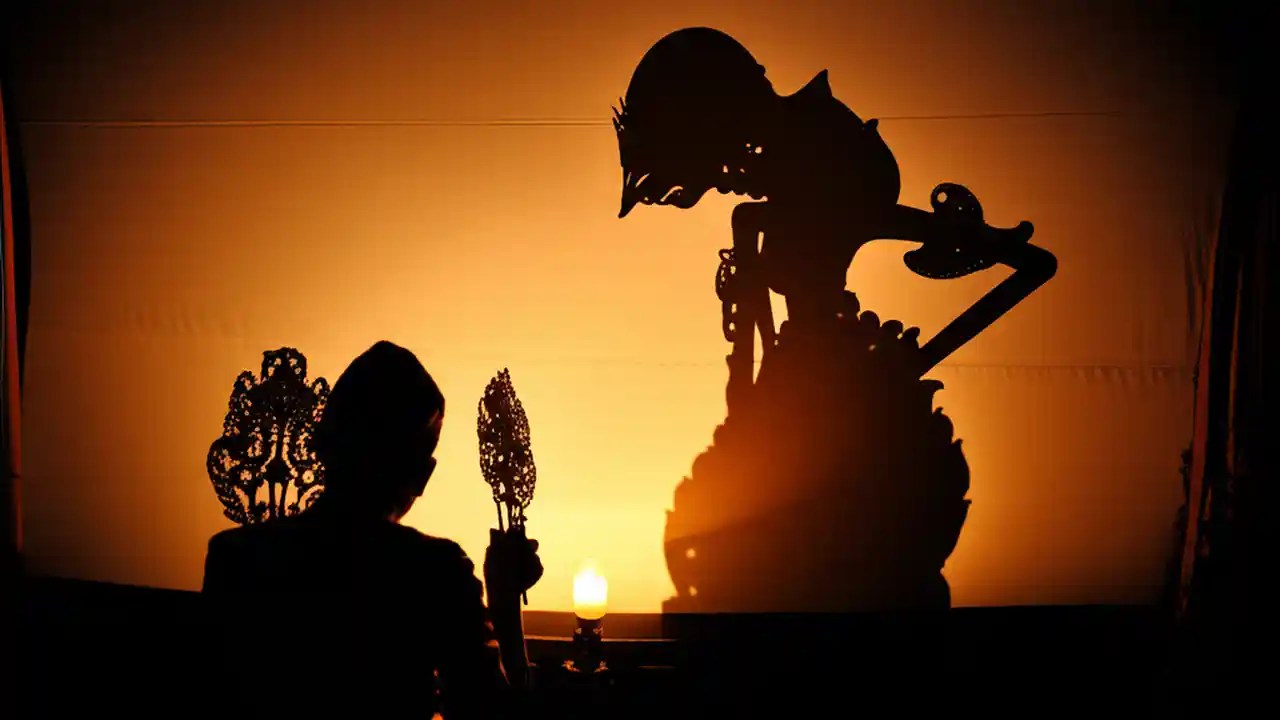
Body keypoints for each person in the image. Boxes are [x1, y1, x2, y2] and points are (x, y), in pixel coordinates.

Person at [202, 341, 542, 718]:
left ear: (318, 442)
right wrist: (505, 604)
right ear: (421, 476)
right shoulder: (435, 574)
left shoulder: (235, 558)